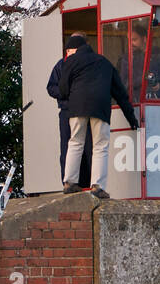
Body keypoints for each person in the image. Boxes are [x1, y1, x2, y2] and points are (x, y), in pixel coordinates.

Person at [57, 33, 139, 199]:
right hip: (100, 108)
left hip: (77, 108)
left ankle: (69, 183)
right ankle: (97, 186)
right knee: (100, 146)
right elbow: (121, 94)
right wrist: (132, 120)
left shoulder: (70, 62)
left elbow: (63, 90)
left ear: (74, 49)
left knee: (75, 142)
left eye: (68, 51)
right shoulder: (104, 62)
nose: (67, 54)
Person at [47, 45, 92, 188]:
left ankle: (88, 182)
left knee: (88, 148)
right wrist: (66, 93)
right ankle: (69, 183)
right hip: (67, 112)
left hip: (86, 111)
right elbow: (51, 88)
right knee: (67, 148)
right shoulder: (61, 65)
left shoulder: (89, 65)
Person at [116, 21, 160, 101]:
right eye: (129, 40)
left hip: (158, 102)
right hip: (134, 103)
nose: (130, 43)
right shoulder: (126, 58)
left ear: (145, 39)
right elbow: (121, 84)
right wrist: (141, 79)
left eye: (134, 40)